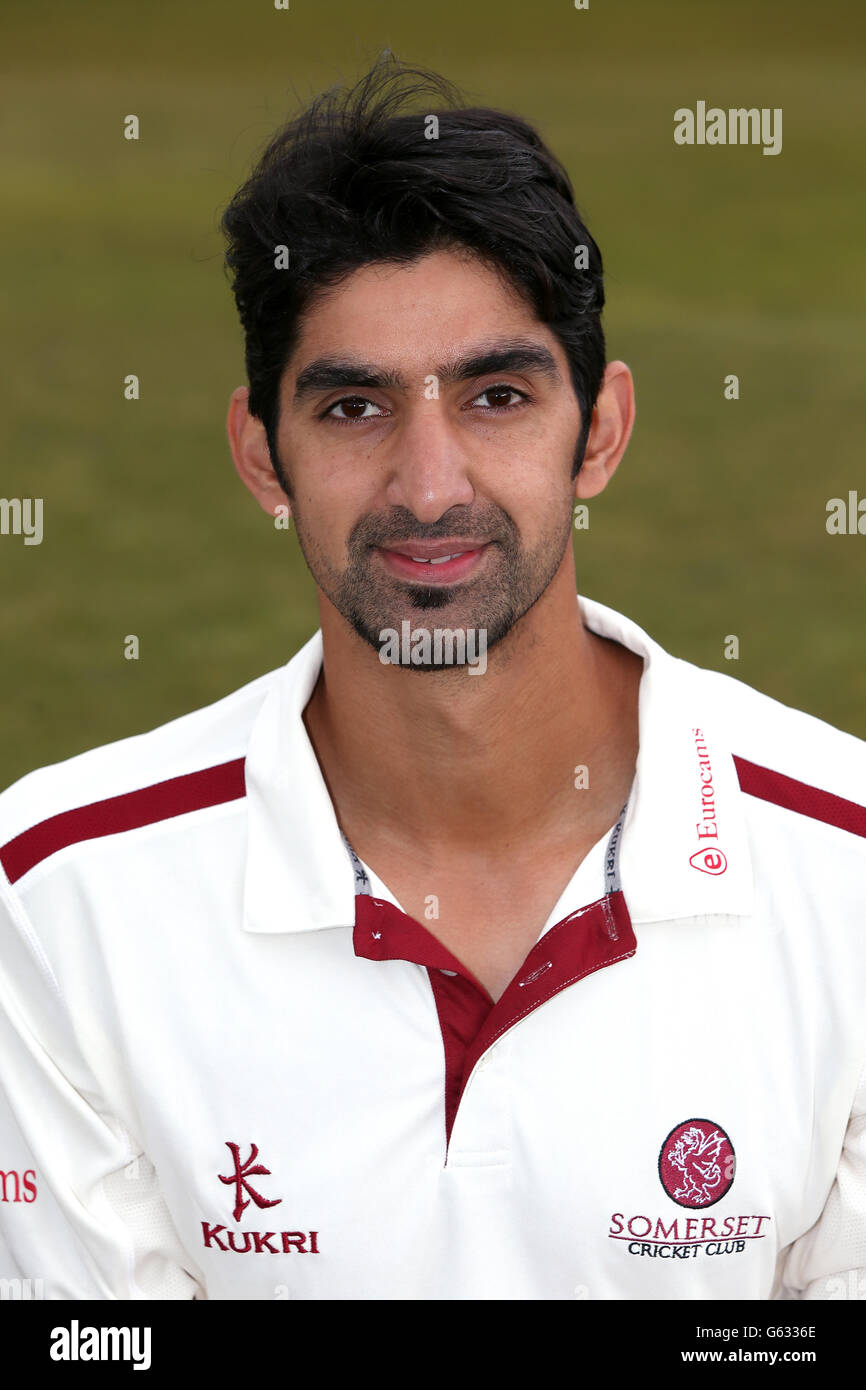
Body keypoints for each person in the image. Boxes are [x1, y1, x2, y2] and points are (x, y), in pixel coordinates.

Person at [0, 53, 864, 1302]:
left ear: (600, 432)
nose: (428, 486)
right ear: (260, 455)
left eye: (496, 395)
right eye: (352, 408)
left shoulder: (842, 866)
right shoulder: (59, 894)